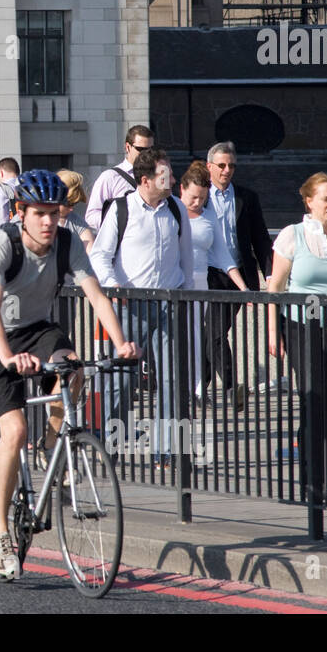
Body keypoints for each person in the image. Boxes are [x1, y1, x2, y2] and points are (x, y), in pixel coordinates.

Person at [0, 170, 139, 580]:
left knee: (74, 369)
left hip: (38, 329)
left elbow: (96, 294)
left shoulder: (66, 243)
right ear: (20, 212)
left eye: (54, 214)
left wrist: (121, 344)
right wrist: (8, 357)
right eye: (39, 213)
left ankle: (52, 442)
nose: (48, 222)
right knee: (13, 431)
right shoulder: (2, 245)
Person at [88, 148, 194, 463]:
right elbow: (100, 254)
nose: (172, 180)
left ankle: (168, 450)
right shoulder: (121, 209)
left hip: (169, 301)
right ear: (145, 180)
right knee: (120, 380)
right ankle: (111, 447)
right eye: (166, 176)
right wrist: (112, 284)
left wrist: (186, 294)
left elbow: (186, 257)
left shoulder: (176, 209)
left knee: (173, 378)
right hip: (129, 305)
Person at [267, 173, 327, 500]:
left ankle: (326, 477)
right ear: (309, 201)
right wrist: (272, 330)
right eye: (325, 199)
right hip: (301, 324)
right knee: (313, 396)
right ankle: (314, 479)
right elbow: (276, 286)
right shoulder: (292, 235)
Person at [203, 141, 274, 410]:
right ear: (209, 166)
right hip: (207, 273)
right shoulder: (199, 195)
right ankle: (230, 387)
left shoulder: (247, 196)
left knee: (215, 332)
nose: (226, 170)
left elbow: (260, 237)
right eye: (221, 165)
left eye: (231, 165)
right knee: (214, 333)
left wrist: (269, 274)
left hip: (238, 274)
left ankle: (200, 386)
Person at [180, 161, 248, 402]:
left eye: (202, 198)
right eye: (193, 198)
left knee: (200, 336)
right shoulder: (172, 210)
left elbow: (223, 255)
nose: (197, 203)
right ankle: (180, 386)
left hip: (200, 282)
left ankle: (197, 389)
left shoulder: (209, 216)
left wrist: (243, 288)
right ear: (182, 190)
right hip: (176, 281)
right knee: (179, 337)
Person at [84, 124, 154, 231]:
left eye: (149, 150)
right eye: (140, 149)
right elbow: (91, 216)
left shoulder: (157, 176)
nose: (146, 154)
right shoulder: (110, 177)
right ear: (127, 147)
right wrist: (119, 222)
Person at [55, 169, 95, 251]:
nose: (71, 209)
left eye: (74, 204)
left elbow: (91, 252)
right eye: (68, 204)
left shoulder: (77, 222)